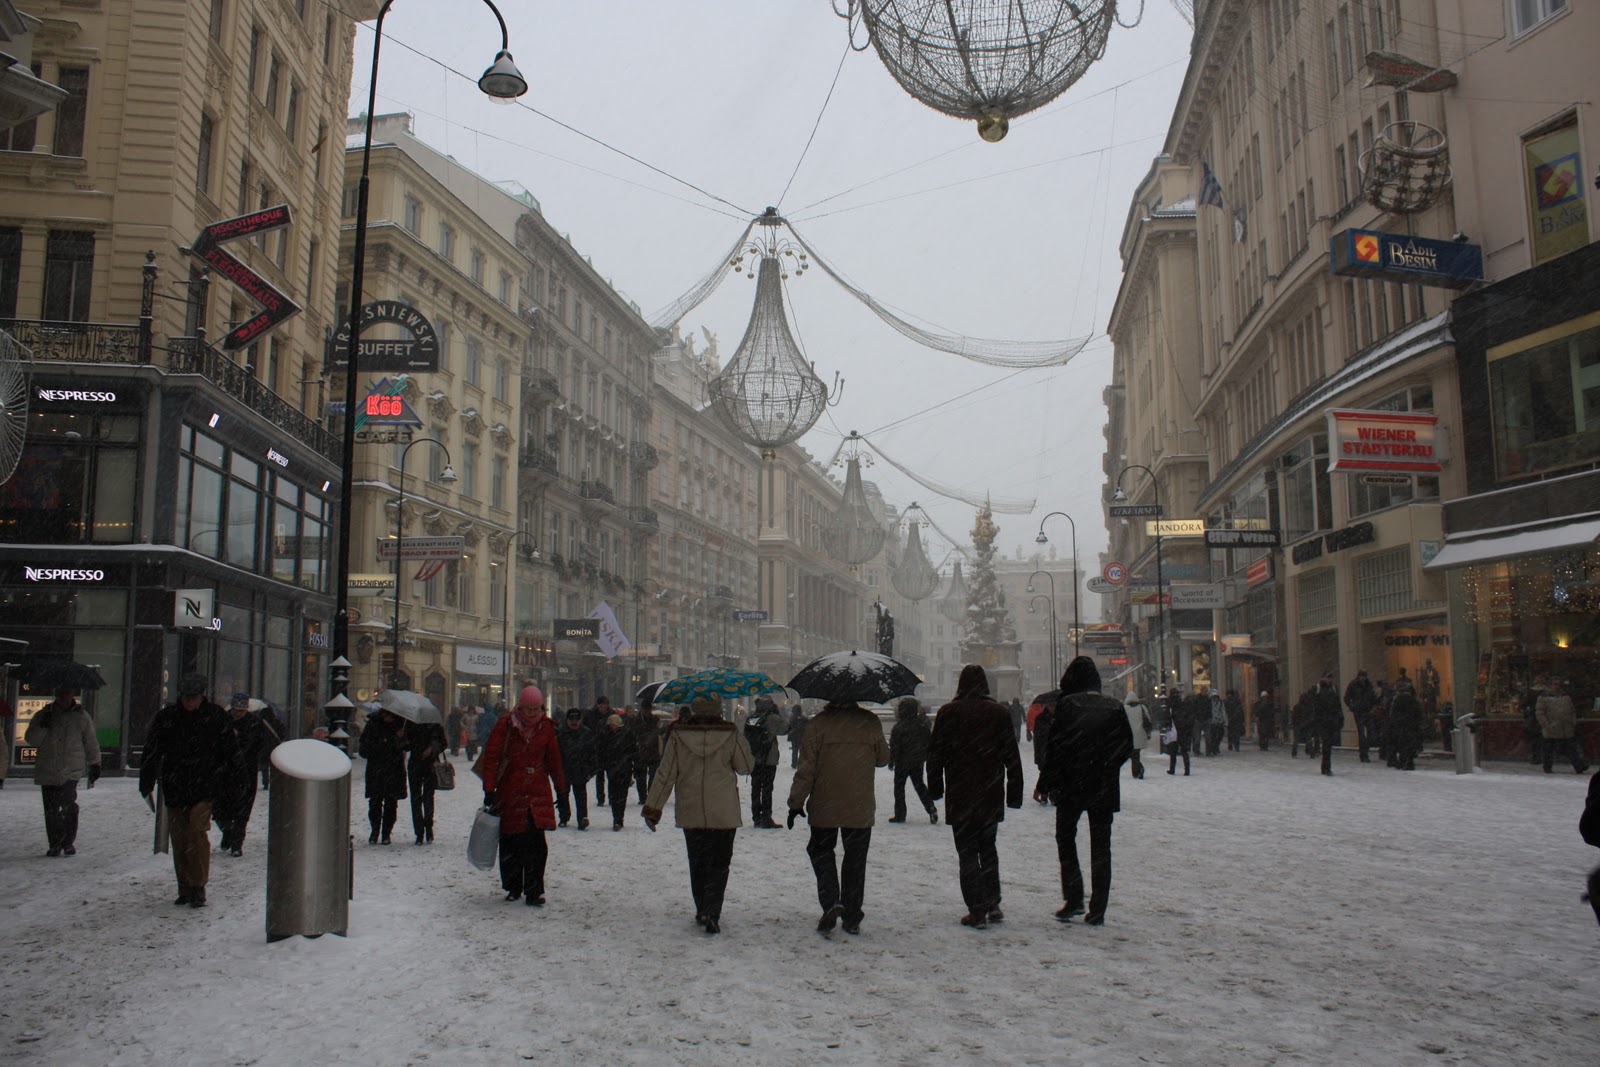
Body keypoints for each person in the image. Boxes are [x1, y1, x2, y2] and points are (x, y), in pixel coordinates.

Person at [643, 695, 753, 934]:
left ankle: (702, 906)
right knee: (720, 863)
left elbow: (666, 773)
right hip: (723, 811)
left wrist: (653, 808)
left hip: (691, 809)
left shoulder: (679, 735)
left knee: (698, 861)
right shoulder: (730, 733)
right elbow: (746, 766)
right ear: (718, 710)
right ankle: (713, 910)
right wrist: (740, 737)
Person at [927, 665, 1025, 930]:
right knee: (988, 848)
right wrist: (1015, 792)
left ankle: (977, 909)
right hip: (990, 791)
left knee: (967, 852)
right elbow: (1011, 757)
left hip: (960, 792)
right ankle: (992, 900)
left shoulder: (948, 713)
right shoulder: (998, 713)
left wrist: (935, 788)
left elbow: (935, 755)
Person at [1038, 658, 1134, 926]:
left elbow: (1055, 748)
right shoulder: (1114, 706)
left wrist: (1046, 783)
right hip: (1102, 786)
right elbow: (1126, 744)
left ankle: (1074, 897)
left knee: (1066, 839)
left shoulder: (1068, 706)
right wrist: (1107, 764)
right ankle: (1098, 908)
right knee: (1101, 847)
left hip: (1071, 785)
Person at [787, 697, 890, 935]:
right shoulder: (870, 722)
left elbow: (806, 768)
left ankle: (831, 901)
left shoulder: (818, 724)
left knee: (821, 852)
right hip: (859, 805)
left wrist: (795, 802)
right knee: (855, 859)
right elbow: (883, 759)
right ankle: (852, 914)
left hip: (825, 802)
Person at [139, 674, 234, 908]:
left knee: (196, 832)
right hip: (176, 786)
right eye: (187, 698)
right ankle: (185, 886)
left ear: (202, 696)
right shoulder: (167, 718)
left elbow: (230, 753)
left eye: (194, 698)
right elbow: (152, 751)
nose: (190, 703)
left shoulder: (215, 717)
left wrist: (228, 783)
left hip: (204, 786)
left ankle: (198, 885)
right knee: (180, 838)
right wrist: (147, 780)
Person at [481, 686, 566, 905]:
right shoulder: (506, 725)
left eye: (535, 709)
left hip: (537, 790)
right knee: (512, 840)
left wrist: (561, 789)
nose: (531, 713)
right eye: (527, 709)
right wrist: (489, 789)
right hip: (511, 790)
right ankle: (513, 885)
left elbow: (554, 761)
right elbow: (492, 758)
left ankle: (534, 889)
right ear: (520, 705)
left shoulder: (546, 728)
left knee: (537, 844)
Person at [25, 687, 100, 857]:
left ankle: (67, 841)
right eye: (60, 694)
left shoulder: (81, 716)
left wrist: (95, 763)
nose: (63, 697)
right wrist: (44, 725)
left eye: (66, 693)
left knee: (68, 804)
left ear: (72, 694)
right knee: (51, 808)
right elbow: (32, 739)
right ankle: (55, 843)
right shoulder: (44, 714)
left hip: (70, 768)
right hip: (48, 767)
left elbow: (91, 741)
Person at [214, 692, 270, 856]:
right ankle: (228, 832)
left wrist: (242, 739)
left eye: (241, 710)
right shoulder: (223, 721)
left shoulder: (254, 723)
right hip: (223, 772)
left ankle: (237, 843)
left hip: (246, 772)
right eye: (236, 710)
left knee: (242, 810)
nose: (238, 713)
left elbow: (258, 745)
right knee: (219, 809)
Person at [358, 708, 408, 844]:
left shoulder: (401, 725)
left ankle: (386, 832)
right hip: (377, 769)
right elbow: (364, 749)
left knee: (391, 803)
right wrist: (389, 741)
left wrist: (401, 739)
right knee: (375, 802)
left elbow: (405, 746)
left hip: (393, 769)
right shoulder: (373, 725)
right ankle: (375, 830)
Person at [888, 697, 938, 822]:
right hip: (917, 761)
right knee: (920, 786)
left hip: (902, 762)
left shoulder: (898, 727)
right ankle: (930, 807)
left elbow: (895, 746)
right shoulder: (922, 725)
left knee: (899, 789)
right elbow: (929, 743)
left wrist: (891, 761)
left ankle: (900, 815)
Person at [743, 697, 788, 828]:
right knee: (767, 789)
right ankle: (766, 817)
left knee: (755, 787)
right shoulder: (773, 717)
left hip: (755, 758)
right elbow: (786, 729)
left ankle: (756, 817)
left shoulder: (752, 717)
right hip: (769, 759)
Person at [406, 715, 448, 844]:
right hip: (416, 765)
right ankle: (419, 831)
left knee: (427, 798)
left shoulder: (434, 726)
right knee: (417, 799)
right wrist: (403, 738)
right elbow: (405, 745)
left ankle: (428, 828)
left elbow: (443, 744)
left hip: (430, 766)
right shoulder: (410, 724)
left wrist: (432, 748)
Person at [1537, 679, 1590, 774]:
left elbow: (1572, 710)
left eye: (1558, 684)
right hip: (1551, 729)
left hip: (1566, 728)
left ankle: (1579, 766)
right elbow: (1540, 713)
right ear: (1550, 685)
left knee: (1571, 748)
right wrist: (1546, 725)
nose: (1557, 686)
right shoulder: (1543, 697)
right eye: (1555, 684)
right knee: (1549, 749)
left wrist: (1572, 721)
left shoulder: (1566, 696)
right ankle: (1547, 767)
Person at [595, 713, 638, 830]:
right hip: (613, 769)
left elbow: (634, 751)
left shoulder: (626, 735)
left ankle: (619, 818)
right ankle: (617, 819)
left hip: (624, 768)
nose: (612, 727)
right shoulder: (606, 736)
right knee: (614, 795)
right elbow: (601, 751)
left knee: (622, 794)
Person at [555, 709, 595, 829]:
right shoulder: (560, 733)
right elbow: (555, 753)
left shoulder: (586, 733)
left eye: (576, 720)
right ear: (567, 720)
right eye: (571, 720)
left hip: (580, 769)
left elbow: (592, 752)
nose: (574, 722)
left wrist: (590, 770)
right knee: (562, 795)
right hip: (564, 769)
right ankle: (564, 817)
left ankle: (582, 818)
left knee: (581, 796)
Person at [1388, 678, 1424, 771]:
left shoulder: (1397, 700)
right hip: (1411, 726)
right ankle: (1409, 762)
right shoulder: (1413, 700)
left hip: (1401, 726)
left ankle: (1404, 762)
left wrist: (1394, 723)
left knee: (1402, 744)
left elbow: (1393, 714)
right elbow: (1418, 713)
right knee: (1409, 744)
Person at [584, 696, 614, 806]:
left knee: (611, 776)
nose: (602, 708)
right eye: (601, 706)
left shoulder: (612, 715)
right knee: (600, 775)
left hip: (610, 748)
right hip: (597, 748)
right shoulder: (591, 715)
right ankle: (600, 798)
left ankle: (612, 797)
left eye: (604, 705)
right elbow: (587, 729)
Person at [631, 703, 663, 802]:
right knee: (641, 776)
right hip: (640, 751)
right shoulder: (635, 720)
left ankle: (651, 794)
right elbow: (633, 734)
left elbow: (658, 734)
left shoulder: (655, 720)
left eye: (648, 709)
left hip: (653, 751)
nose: (647, 711)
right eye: (645, 709)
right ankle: (642, 797)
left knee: (653, 775)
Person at [1313, 672, 1343, 776]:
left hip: (1331, 720)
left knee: (1328, 744)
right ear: (1323, 678)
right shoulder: (1317, 688)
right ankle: (1325, 767)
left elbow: (1338, 705)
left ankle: (1326, 766)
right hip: (1322, 721)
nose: (1329, 680)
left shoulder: (1334, 689)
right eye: (1327, 678)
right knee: (1326, 743)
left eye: (1331, 678)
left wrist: (1340, 718)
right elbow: (1312, 704)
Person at [1344, 670, 1378, 763]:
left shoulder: (1368, 685)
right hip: (1359, 712)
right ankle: (1364, 754)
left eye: (1364, 676)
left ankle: (1364, 750)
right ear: (1358, 676)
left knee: (1372, 733)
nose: (1363, 678)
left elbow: (1373, 698)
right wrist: (1353, 706)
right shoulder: (1353, 685)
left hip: (1368, 711)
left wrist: (1373, 706)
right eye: (1362, 676)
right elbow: (1346, 698)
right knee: (1361, 733)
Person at [1163, 687, 1194, 777]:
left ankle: (1172, 769)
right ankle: (1187, 770)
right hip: (1182, 729)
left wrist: (1167, 725)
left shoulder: (1170, 704)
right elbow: (1188, 716)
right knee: (1184, 751)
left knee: (1173, 751)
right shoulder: (1182, 704)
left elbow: (1167, 717)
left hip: (1174, 729)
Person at [1122, 689, 1151, 779]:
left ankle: (1138, 769)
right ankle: (1136, 772)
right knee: (1136, 754)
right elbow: (1148, 720)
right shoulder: (1142, 707)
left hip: (1129, 735)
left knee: (1132, 754)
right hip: (1140, 734)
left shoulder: (1124, 708)